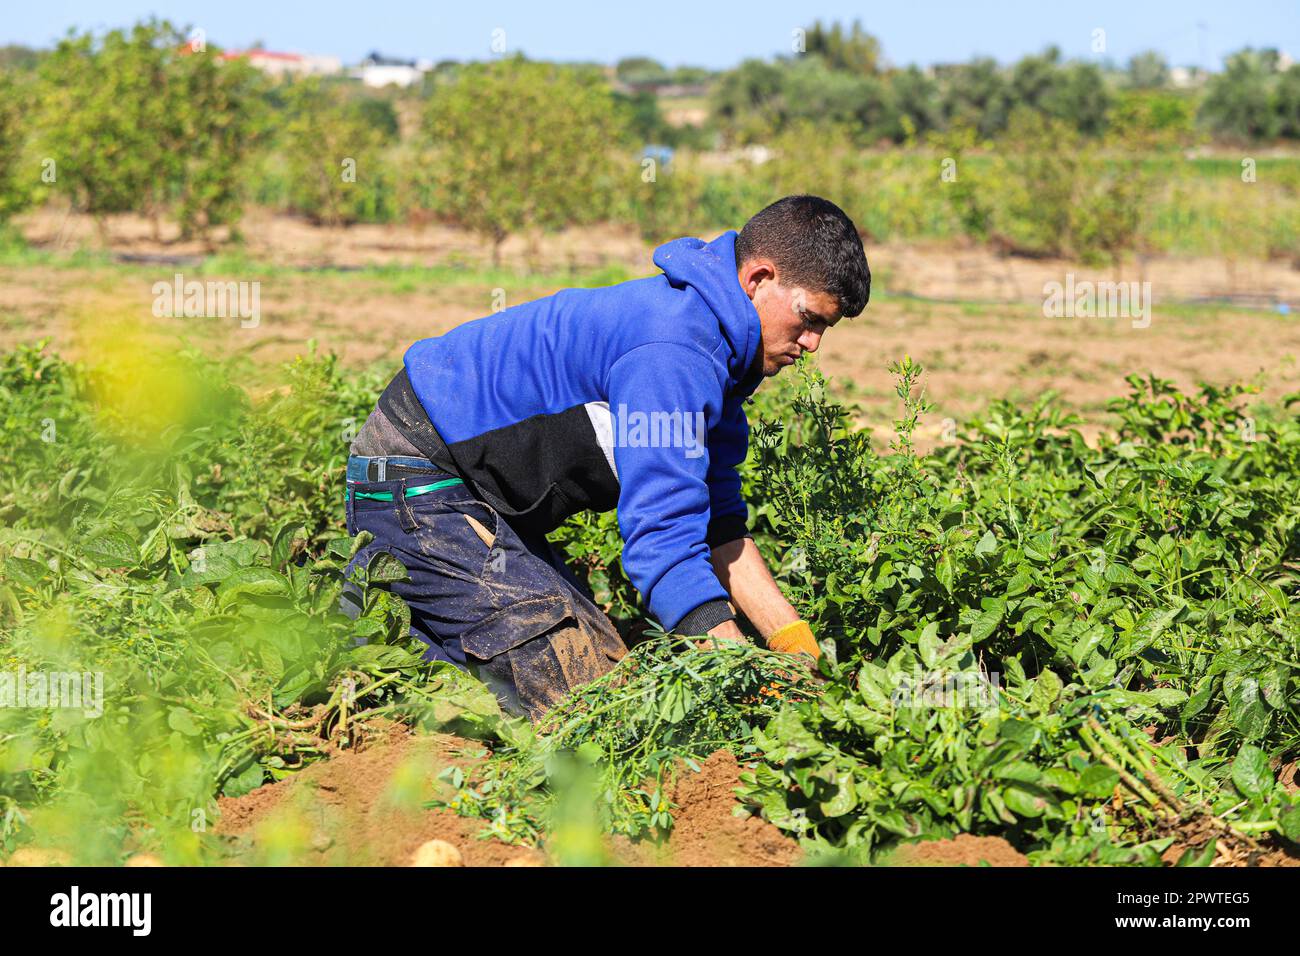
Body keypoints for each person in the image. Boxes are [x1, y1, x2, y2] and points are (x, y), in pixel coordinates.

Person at [342, 194, 871, 720]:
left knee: (600, 661)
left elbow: (718, 528)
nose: (813, 343)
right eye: (808, 319)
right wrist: (742, 692)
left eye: (826, 328)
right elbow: (663, 544)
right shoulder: (673, 351)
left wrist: (798, 651)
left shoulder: (720, 359)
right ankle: (354, 639)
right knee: (587, 706)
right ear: (758, 279)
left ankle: (400, 616)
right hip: (417, 479)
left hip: (481, 495)